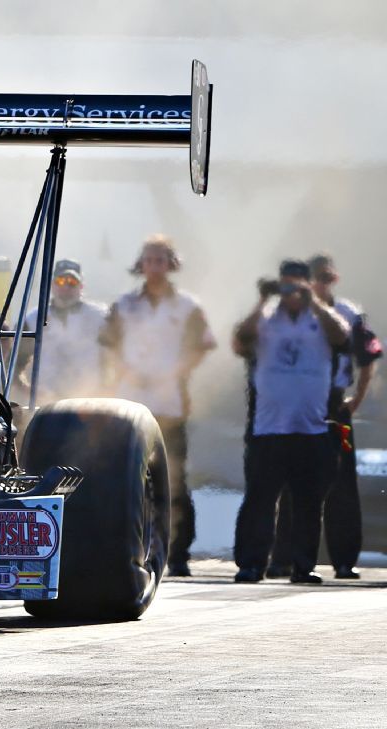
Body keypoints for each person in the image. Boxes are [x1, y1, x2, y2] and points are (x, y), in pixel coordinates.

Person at [100, 235, 216, 577]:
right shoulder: (123, 304)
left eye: (161, 259)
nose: (155, 266)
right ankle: (124, 548)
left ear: (171, 264)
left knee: (173, 479)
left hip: (169, 402)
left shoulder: (187, 306)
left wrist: (175, 372)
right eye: (149, 260)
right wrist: (126, 372)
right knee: (126, 479)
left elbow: (202, 346)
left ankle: (178, 553)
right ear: (140, 264)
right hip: (129, 401)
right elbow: (109, 346)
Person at [232, 259, 348, 584]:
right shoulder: (267, 318)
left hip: (310, 426)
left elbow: (341, 337)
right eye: (287, 285)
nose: (292, 292)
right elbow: (240, 341)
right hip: (269, 426)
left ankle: (303, 565)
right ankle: (251, 563)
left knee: (308, 502)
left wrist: (316, 302)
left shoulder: (322, 319)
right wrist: (261, 300)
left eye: (298, 285)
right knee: (259, 498)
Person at [268, 254, 381, 579]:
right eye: (317, 278)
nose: (322, 284)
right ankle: (283, 558)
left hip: (334, 405)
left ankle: (344, 560)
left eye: (328, 278)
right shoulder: (288, 314)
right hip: (297, 403)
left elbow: (369, 355)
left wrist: (357, 398)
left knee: (342, 482)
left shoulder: (349, 313)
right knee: (292, 482)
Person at [18, 259, 107, 404]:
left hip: (89, 401)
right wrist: (27, 389)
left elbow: (114, 357)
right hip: (46, 402)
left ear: (81, 286)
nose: (66, 287)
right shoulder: (33, 319)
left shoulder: (99, 317)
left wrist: (106, 390)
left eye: (72, 282)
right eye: (60, 281)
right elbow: (14, 364)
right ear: (52, 285)